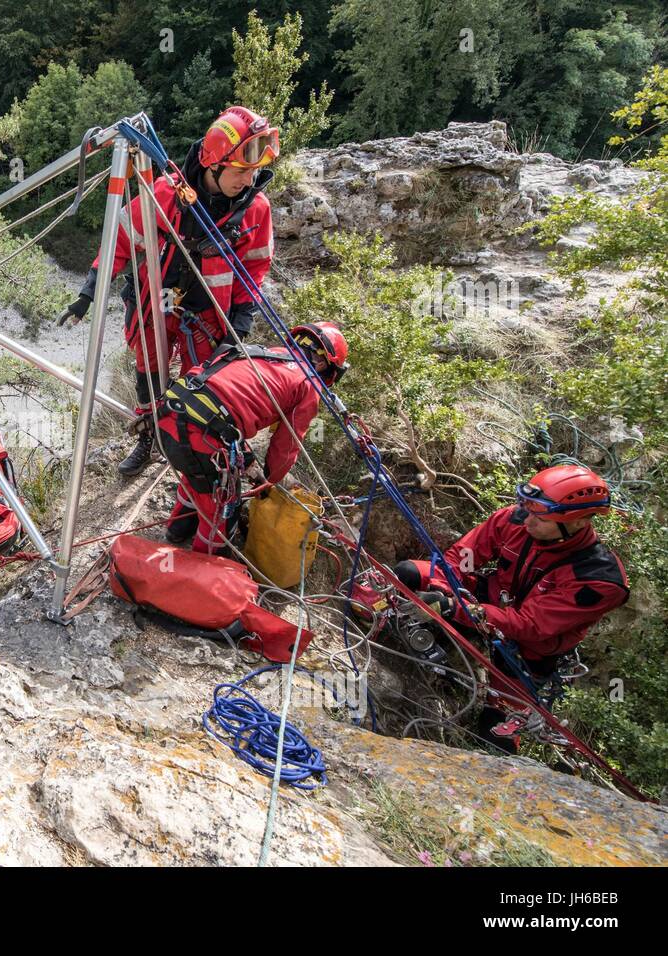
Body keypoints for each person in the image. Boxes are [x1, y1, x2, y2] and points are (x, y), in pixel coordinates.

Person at [59, 106, 280, 476]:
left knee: (205, 387)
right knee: (150, 373)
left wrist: (239, 325)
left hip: (209, 313)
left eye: (254, 171)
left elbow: (253, 272)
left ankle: (195, 456)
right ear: (214, 164)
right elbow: (120, 240)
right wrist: (89, 292)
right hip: (155, 304)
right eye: (241, 171)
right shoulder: (164, 193)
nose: (249, 179)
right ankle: (149, 438)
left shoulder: (255, 210)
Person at [394, 464, 629, 750]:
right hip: (487, 599)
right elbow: (460, 560)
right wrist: (444, 590)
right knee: (409, 573)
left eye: (540, 518)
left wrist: (457, 609)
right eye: (528, 510)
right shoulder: (516, 520)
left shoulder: (598, 580)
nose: (529, 521)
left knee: (495, 736)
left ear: (579, 521)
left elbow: (529, 625)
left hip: (527, 651)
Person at [156, 323, 348, 555]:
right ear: (324, 364)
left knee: (201, 477)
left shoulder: (263, 352)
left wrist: (246, 459)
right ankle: (201, 570)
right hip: (203, 436)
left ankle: (177, 530)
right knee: (223, 507)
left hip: (168, 415)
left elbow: (228, 402)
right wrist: (268, 481)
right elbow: (286, 446)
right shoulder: (308, 384)